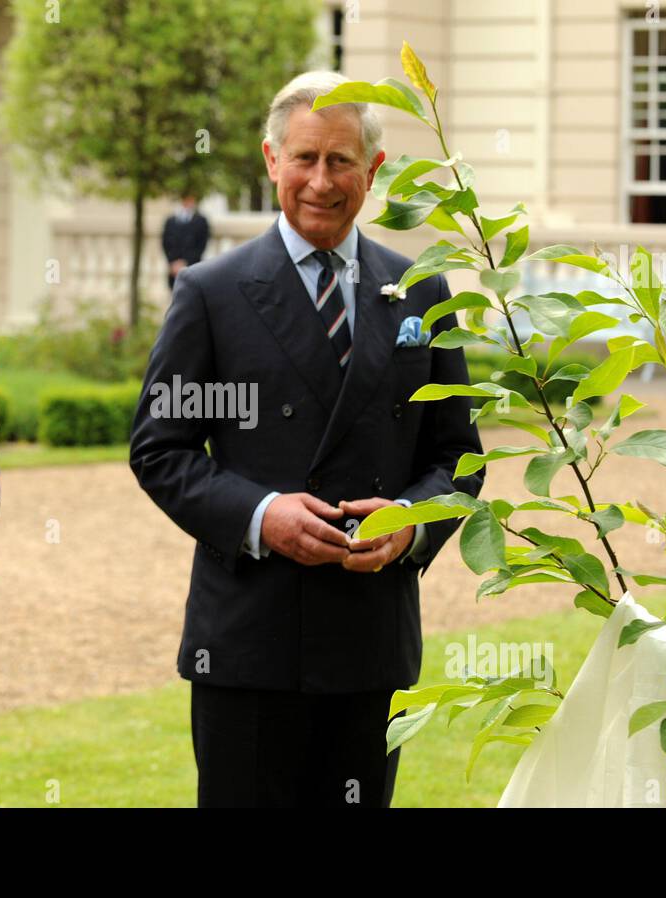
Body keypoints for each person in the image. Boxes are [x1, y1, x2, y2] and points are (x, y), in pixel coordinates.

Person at [129, 71, 485, 808]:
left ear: (374, 170)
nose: (321, 182)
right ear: (271, 160)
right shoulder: (212, 293)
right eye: (304, 159)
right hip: (250, 648)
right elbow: (160, 449)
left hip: (370, 646)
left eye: (341, 161)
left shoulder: (421, 290)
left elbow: (458, 454)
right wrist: (263, 518)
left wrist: (409, 527)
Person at [161, 193, 210, 289]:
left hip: (193, 268)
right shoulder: (171, 221)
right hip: (174, 271)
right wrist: (173, 263)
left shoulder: (201, 221)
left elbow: (201, 245)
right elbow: (165, 243)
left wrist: (186, 263)